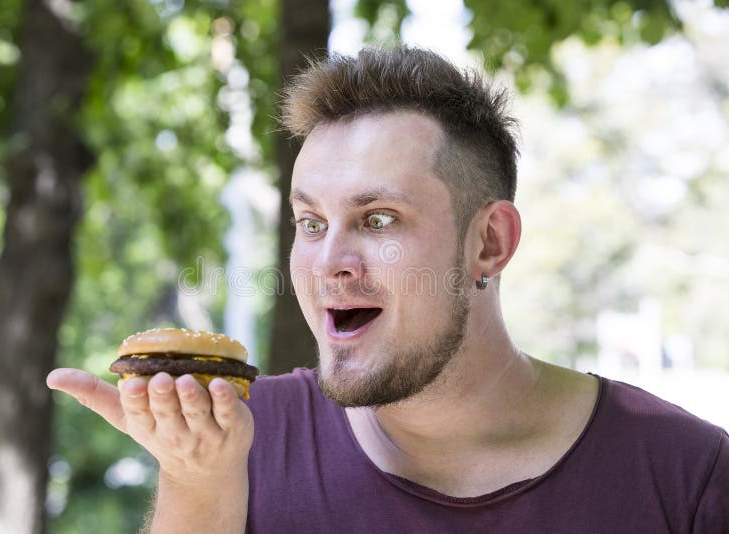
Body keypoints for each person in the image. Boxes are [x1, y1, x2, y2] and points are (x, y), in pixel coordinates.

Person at [47, 46, 729, 533]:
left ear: (489, 243)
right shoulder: (237, 439)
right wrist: (197, 483)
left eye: (378, 219)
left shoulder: (687, 475)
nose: (329, 263)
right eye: (311, 223)